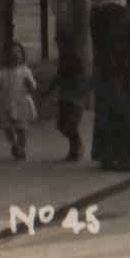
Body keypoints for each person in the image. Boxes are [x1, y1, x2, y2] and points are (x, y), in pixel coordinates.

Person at [89, 0, 130, 171]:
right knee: (123, 111)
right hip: (123, 70)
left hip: (103, 69)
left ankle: (106, 155)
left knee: (105, 111)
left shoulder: (96, 12)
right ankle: (123, 157)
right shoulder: (122, 14)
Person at [45, 25, 87, 161]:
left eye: (59, 43)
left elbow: (80, 78)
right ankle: (75, 147)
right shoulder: (63, 58)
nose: (58, 46)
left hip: (74, 97)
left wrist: (81, 93)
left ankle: (76, 148)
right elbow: (58, 77)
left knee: (70, 124)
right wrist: (49, 91)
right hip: (64, 96)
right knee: (62, 125)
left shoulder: (74, 58)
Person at [0, 41, 37, 160]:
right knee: (7, 127)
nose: (16, 55)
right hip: (6, 103)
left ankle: (21, 147)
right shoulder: (2, 71)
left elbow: (33, 86)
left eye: (18, 52)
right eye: (12, 53)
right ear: (7, 55)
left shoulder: (25, 70)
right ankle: (14, 144)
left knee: (21, 128)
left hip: (21, 102)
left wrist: (30, 85)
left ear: (22, 55)